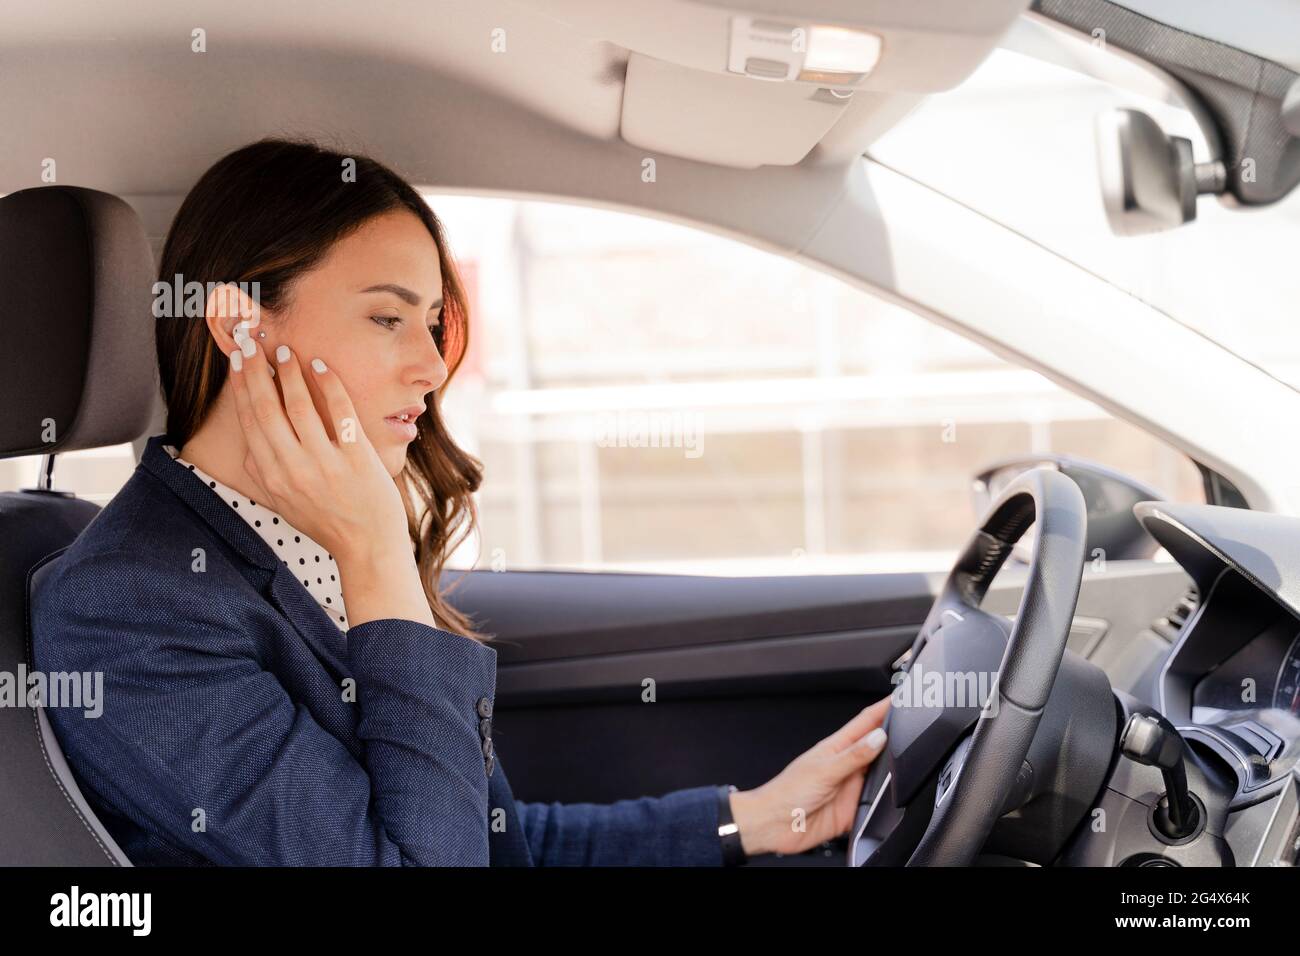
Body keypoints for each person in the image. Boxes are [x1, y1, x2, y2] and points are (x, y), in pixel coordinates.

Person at [31, 138, 890, 866]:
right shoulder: (127, 610)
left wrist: (760, 819)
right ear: (240, 328)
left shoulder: (296, 541)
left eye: (432, 321)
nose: (433, 368)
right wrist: (377, 557)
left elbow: (489, 841)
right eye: (386, 318)